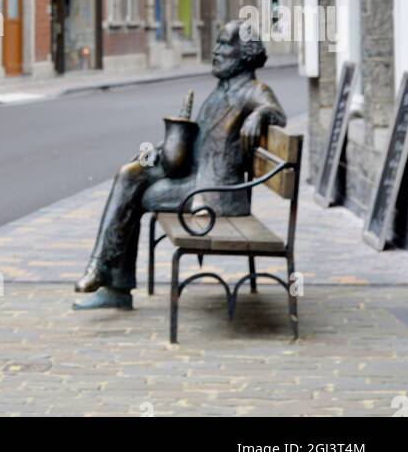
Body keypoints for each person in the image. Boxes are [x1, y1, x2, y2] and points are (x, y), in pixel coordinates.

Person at [73, 19, 287, 309]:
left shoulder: (251, 90)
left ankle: (113, 285)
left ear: (245, 53)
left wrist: (259, 116)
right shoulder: (222, 90)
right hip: (194, 175)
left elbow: (276, 111)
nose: (217, 51)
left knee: (138, 195)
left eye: (224, 44)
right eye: (218, 43)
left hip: (214, 192)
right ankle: (104, 274)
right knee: (130, 174)